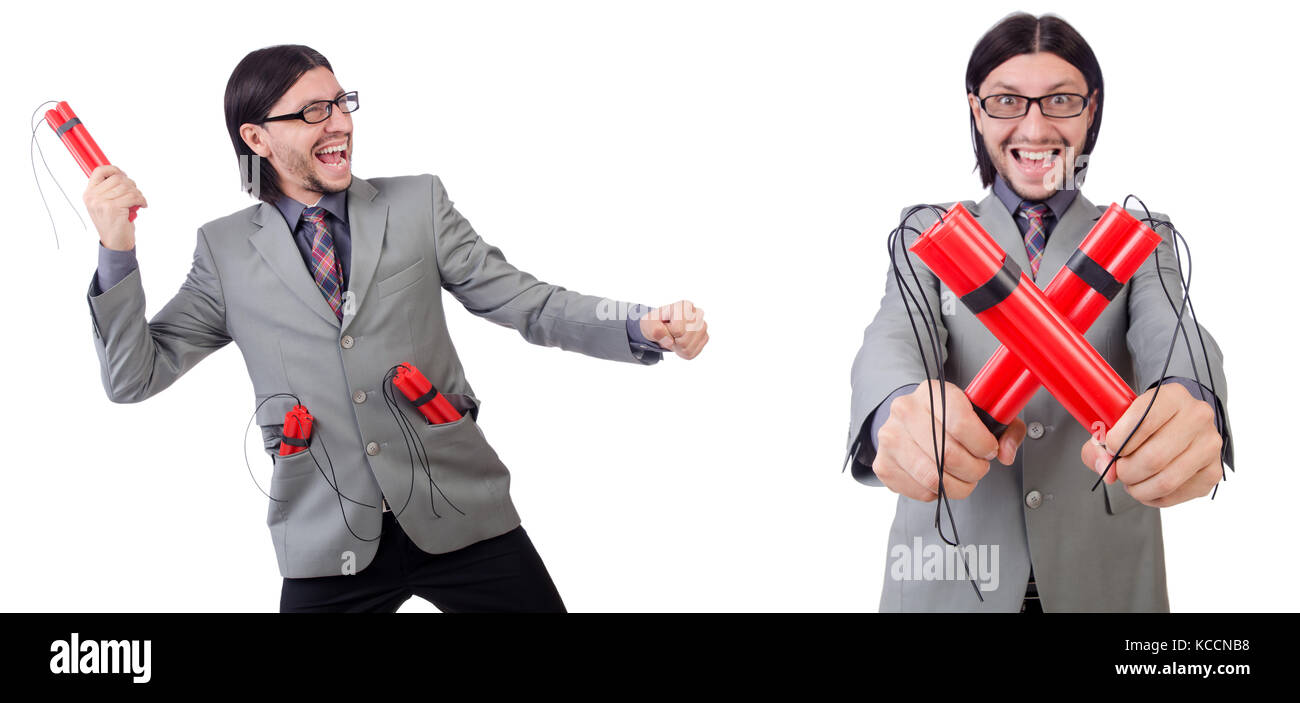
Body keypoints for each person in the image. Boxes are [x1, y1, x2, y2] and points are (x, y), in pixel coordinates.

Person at [84, 44, 709, 613]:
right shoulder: (224, 253)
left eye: (340, 103)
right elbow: (133, 377)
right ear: (257, 137)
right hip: (326, 534)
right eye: (311, 112)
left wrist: (638, 325)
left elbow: (529, 303)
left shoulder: (418, 205)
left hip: (463, 513)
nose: (340, 123)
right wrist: (117, 244)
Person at [845, 13, 1233, 612]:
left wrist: (1189, 398)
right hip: (952, 579)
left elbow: (1174, 334)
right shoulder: (932, 235)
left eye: (1060, 99)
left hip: (1103, 581)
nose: (1034, 125)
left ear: (1091, 110)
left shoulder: (1137, 239)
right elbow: (893, 338)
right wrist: (894, 410)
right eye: (1006, 101)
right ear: (977, 112)